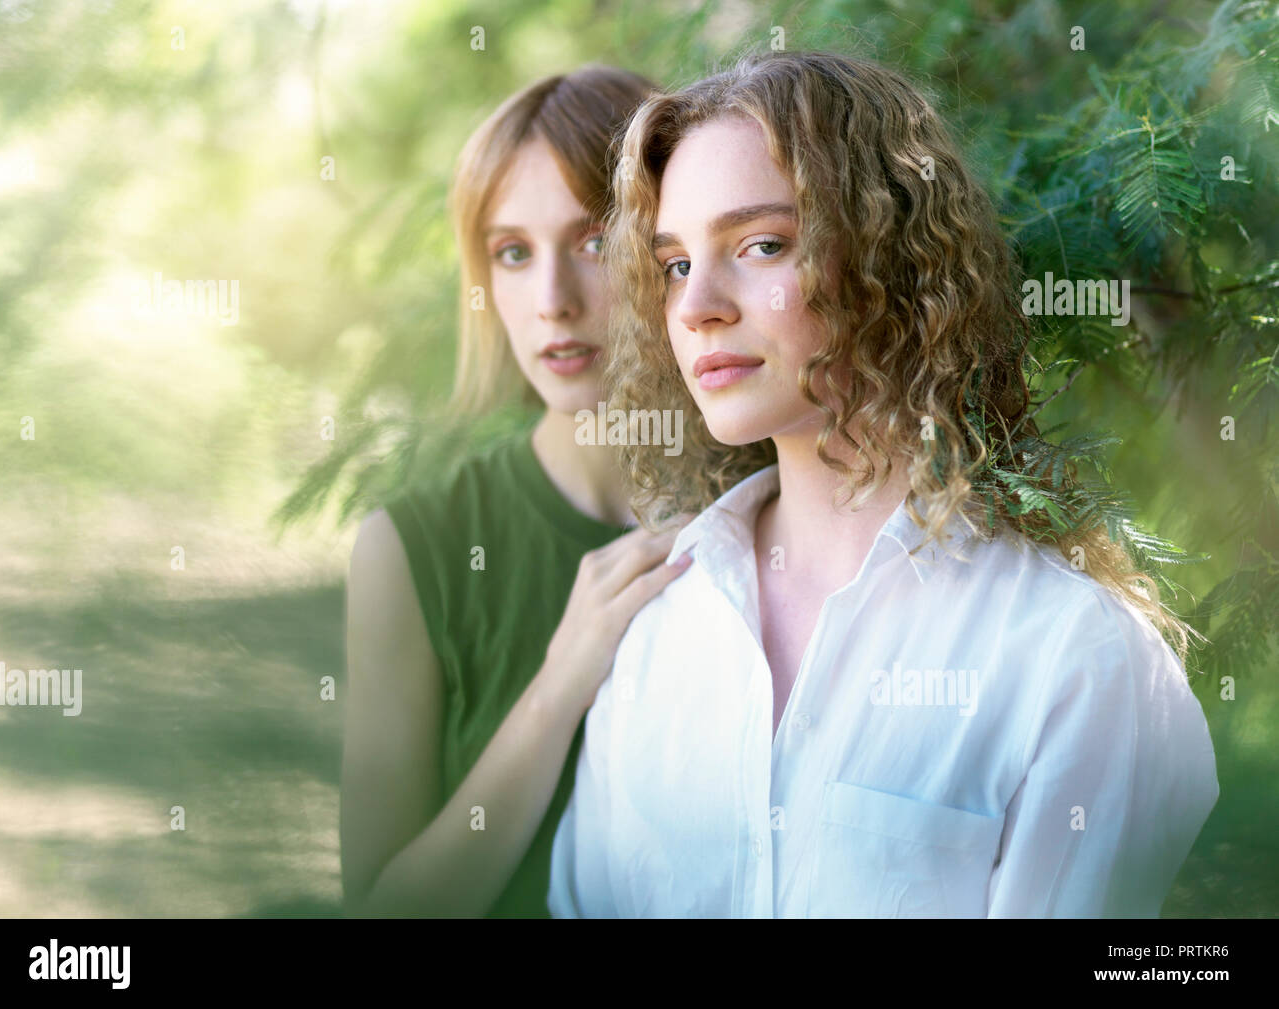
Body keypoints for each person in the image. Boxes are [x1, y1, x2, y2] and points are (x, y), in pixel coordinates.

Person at [547, 50, 1219, 918]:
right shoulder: (655, 633)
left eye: (761, 245)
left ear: (887, 257)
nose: (697, 304)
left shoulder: (1076, 658)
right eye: (675, 263)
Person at [340, 65, 694, 918]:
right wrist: (558, 685)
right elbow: (381, 909)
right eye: (512, 252)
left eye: (595, 242)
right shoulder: (413, 547)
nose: (553, 301)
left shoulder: (783, 503)